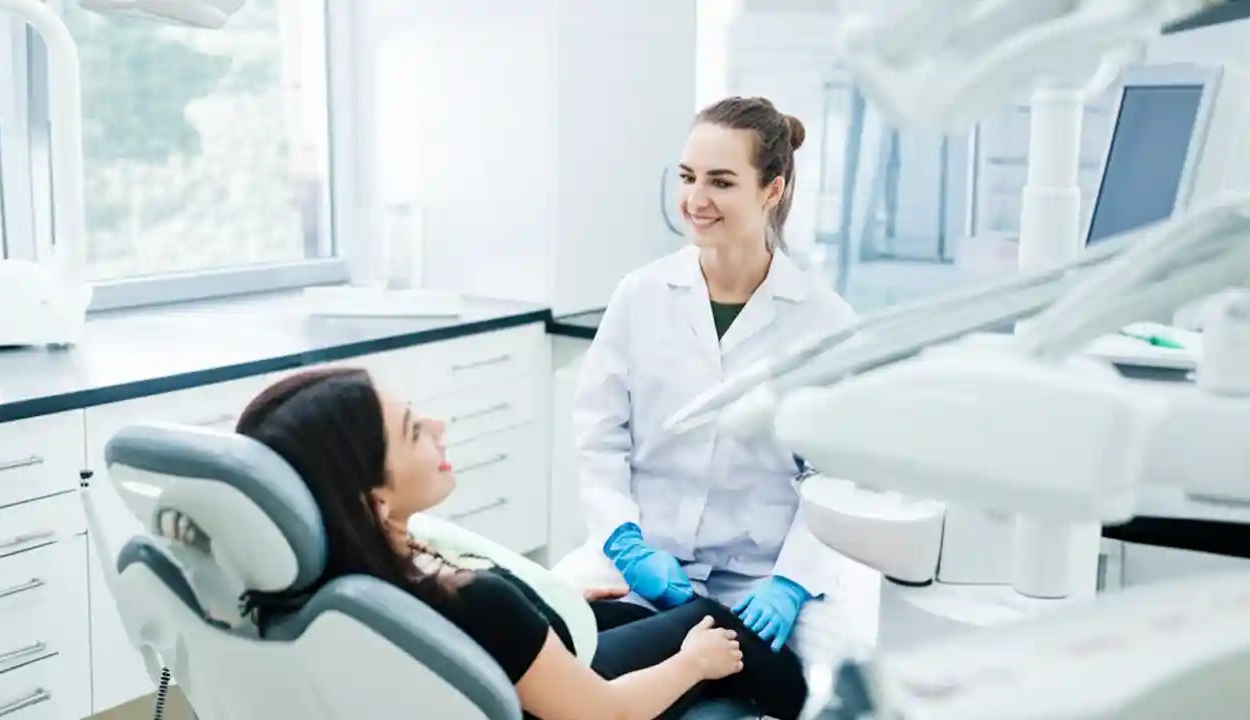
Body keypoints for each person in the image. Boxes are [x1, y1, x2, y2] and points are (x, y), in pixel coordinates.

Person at [234, 367, 809, 720]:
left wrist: (549, 602)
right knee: (711, 625)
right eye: (413, 429)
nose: (439, 426)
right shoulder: (476, 602)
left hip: (528, 677)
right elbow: (607, 715)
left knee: (632, 608)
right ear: (374, 502)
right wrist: (692, 665)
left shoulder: (326, 585)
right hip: (569, 704)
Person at [562, 96, 859, 696]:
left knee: (842, 674)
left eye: (721, 182)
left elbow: (839, 475)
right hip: (641, 561)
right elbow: (599, 437)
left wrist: (792, 584)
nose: (696, 200)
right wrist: (625, 542)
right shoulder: (640, 296)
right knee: (543, 626)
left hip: (759, 583)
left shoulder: (824, 321)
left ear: (771, 190)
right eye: (688, 177)